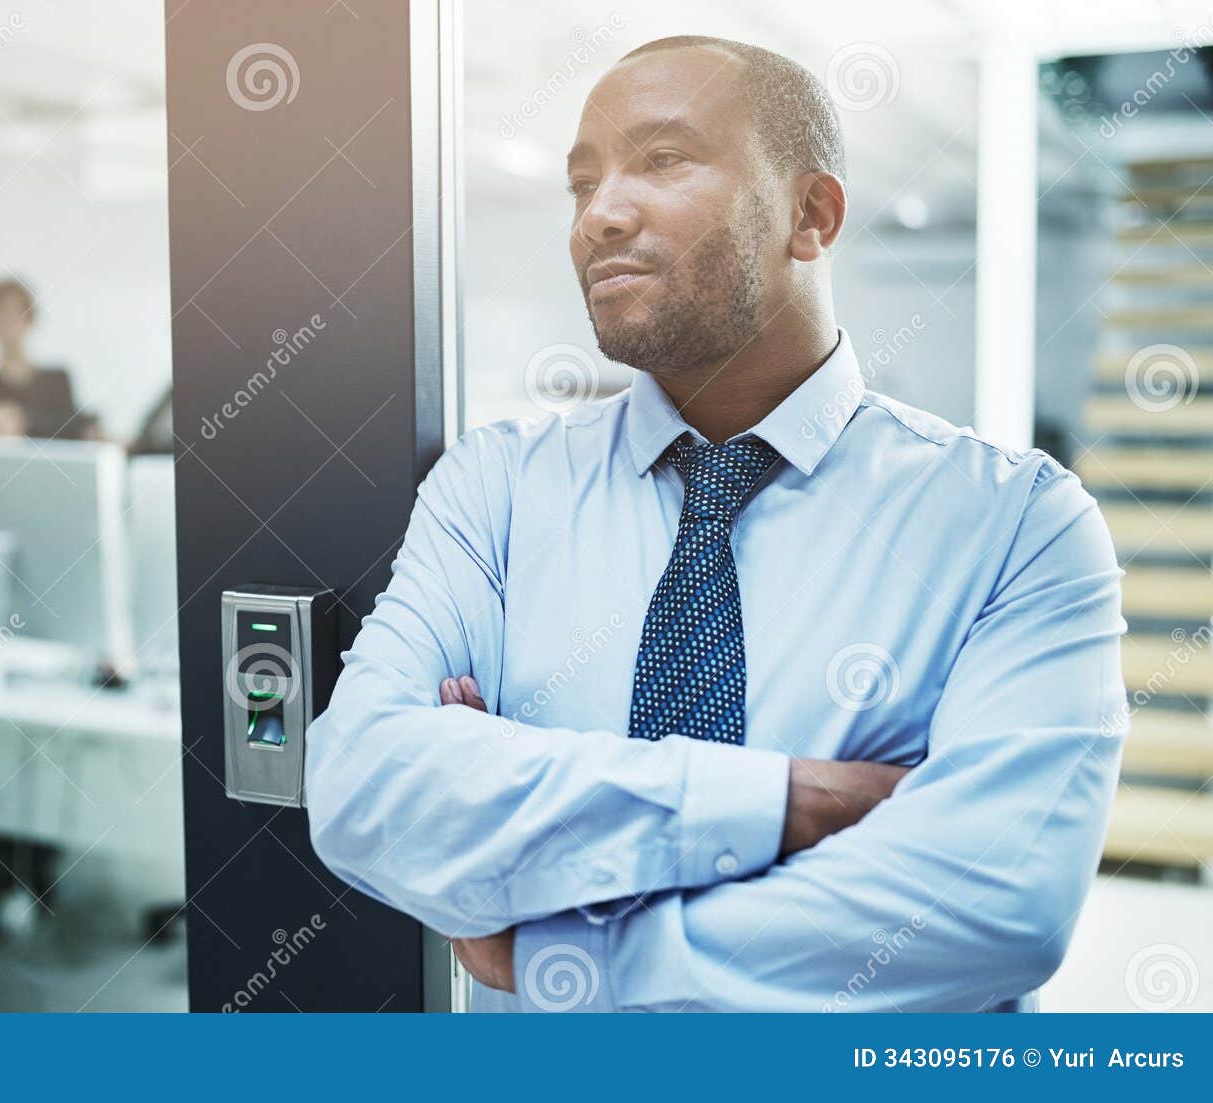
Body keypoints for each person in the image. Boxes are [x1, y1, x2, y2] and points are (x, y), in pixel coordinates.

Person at [304, 36, 1126, 1013]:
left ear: (810, 215)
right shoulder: (495, 489)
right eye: (581, 181)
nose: (600, 213)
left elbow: (995, 903)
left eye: (660, 160)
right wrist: (793, 801)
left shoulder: (1012, 524)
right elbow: (363, 786)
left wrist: (559, 953)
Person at [0, 277, 87, 440]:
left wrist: (22, 421)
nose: (9, 323)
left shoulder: (57, 381)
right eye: (0, 315)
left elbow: (73, 429)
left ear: (30, 320)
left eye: (16, 313)